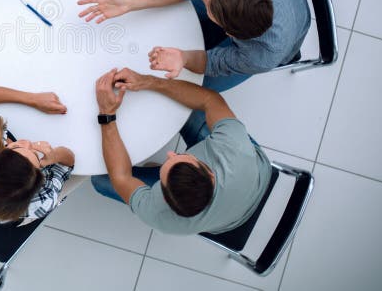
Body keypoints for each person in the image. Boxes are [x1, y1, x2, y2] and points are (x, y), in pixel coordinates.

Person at [78, 0, 311, 140]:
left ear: (229, 34)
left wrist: (185, 59)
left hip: (292, 31)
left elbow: (213, 62)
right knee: (187, 1)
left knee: (195, 87)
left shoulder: (261, 56)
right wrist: (128, 3)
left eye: (212, 9)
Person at [91, 68, 272, 235]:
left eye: (169, 162)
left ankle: (160, 172)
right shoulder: (232, 147)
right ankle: (160, 171)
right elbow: (210, 100)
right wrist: (148, 81)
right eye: (180, 157)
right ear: (210, 172)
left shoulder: (159, 214)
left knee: (100, 180)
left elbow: (121, 178)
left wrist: (106, 113)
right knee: (184, 102)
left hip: (232, 218)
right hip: (256, 172)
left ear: (164, 197)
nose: (170, 153)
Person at [0, 84, 75, 225]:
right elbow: (68, 163)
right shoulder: (41, 203)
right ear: (39, 179)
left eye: (15, 147)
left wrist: (33, 99)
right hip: (13, 212)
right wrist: (54, 156)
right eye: (35, 155)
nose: (28, 142)